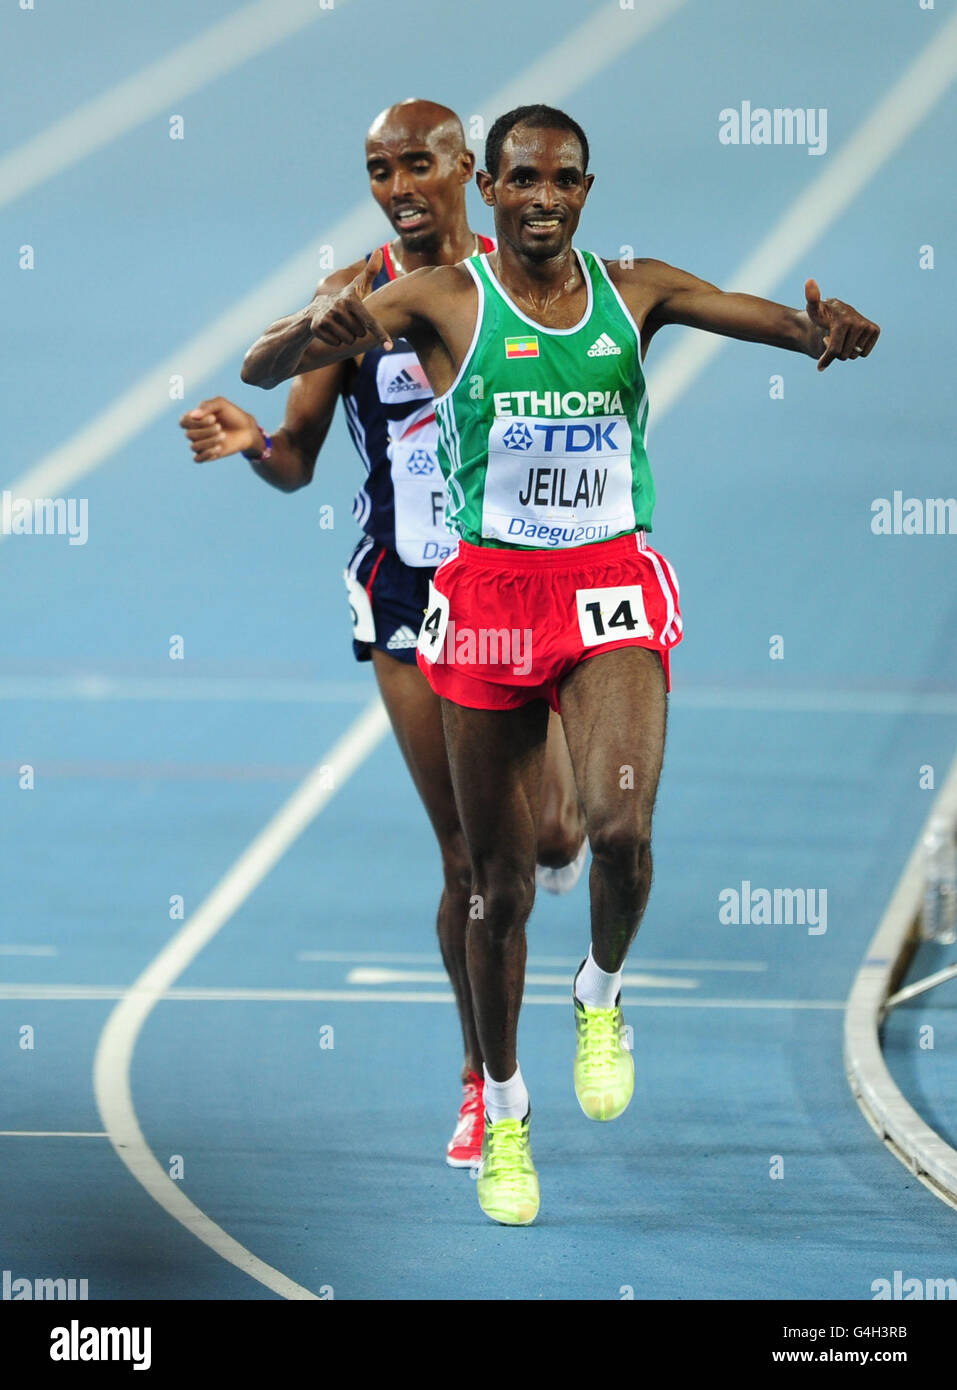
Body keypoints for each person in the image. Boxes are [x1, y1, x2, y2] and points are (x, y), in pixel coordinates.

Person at [241, 103, 880, 1226]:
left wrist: (827, 331)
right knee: (498, 887)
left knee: (621, 832)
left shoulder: (637, 290)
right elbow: (263, 364)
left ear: (587, 189)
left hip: (607, 588)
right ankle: (505, 1103)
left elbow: (778, 321)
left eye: (564, 181)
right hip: (487, 600)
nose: (543, 199)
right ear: (488, 191)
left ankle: (600, 994)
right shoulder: (442, 300)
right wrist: (310, 330)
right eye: (523, 181)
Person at [179, 99, 586, 1171]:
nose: (398, 186)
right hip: (409, 597)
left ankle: (563, 831)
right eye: (377, 170)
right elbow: (299, 455)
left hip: (523, 584)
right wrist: (253, 438)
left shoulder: (521, 279)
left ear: (468, 171)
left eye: (417, 164)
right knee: (468, 863)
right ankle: (480, 1083)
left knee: (547, 840)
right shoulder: (356, 294)